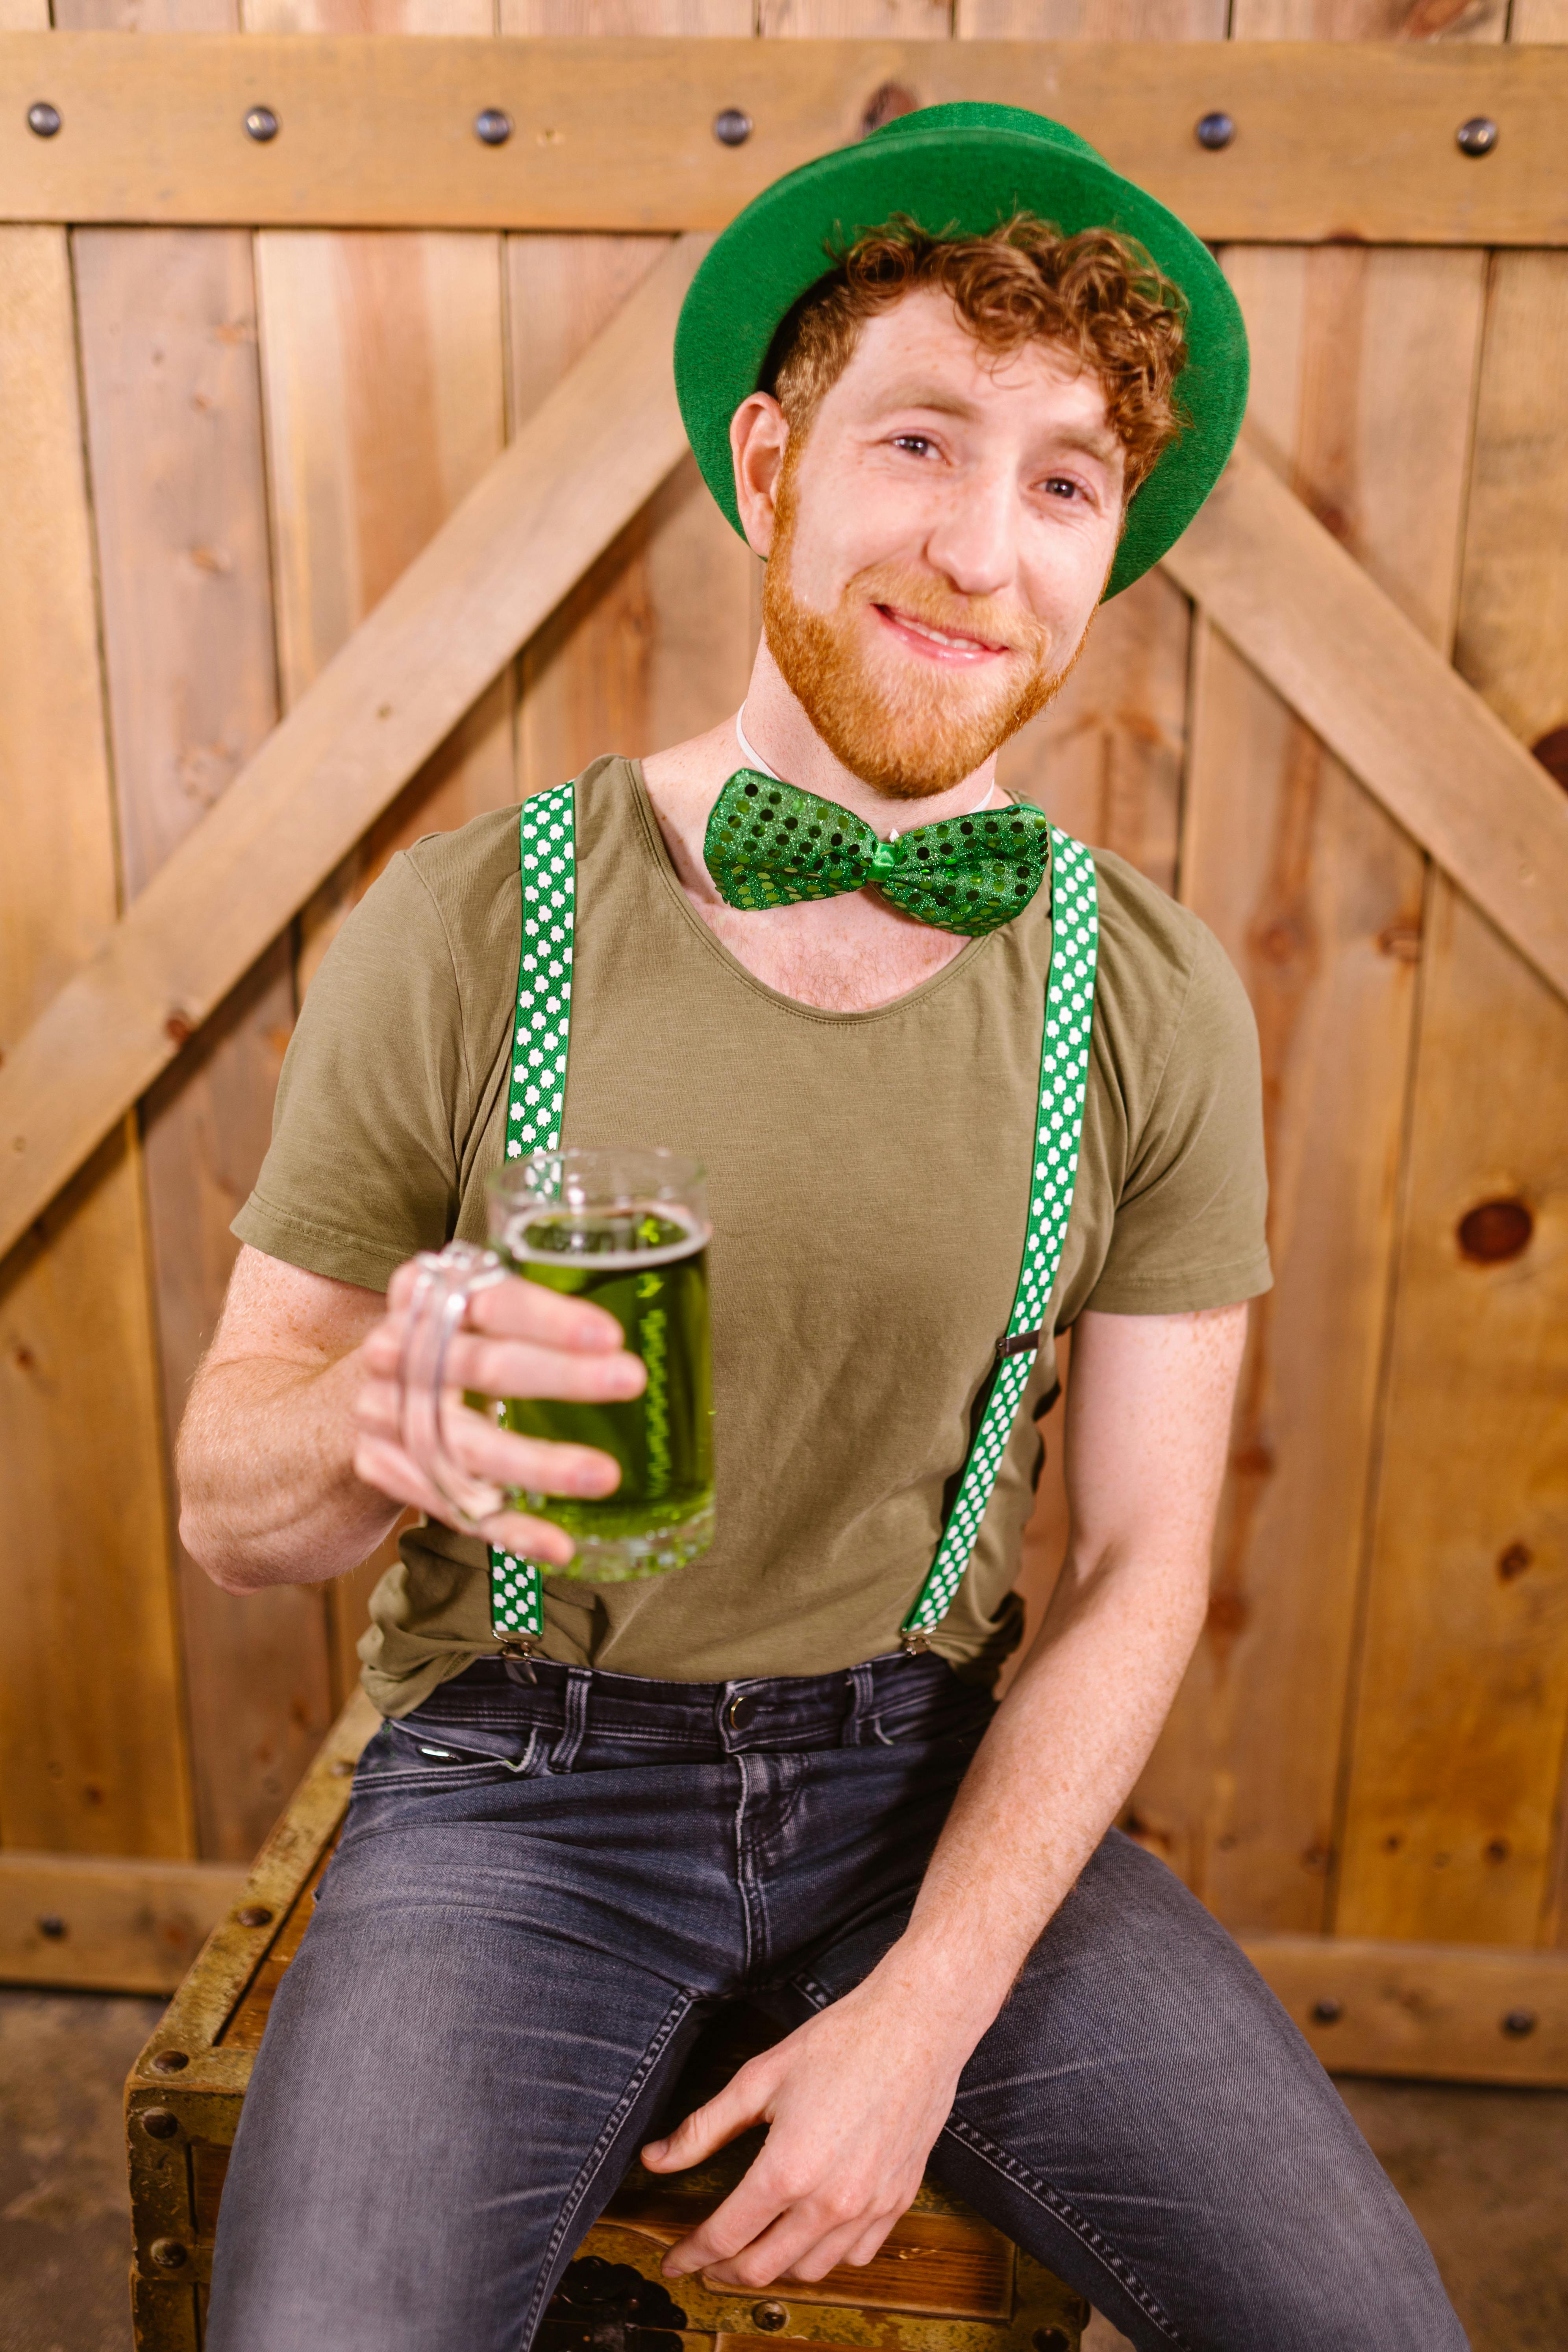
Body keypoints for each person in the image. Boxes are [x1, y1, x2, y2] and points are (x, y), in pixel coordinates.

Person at [182, 104, 1466, 2352]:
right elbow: (226, 1499)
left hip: (927, 1793)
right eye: (920, 445)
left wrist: (927, 2012)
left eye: (1062, 483)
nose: (983, 550)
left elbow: (1149, 1559)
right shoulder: (472, 921)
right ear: (770, 465)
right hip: (520, 1788)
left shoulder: (1149, 995)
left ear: (1104, 554)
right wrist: (370, 1422)